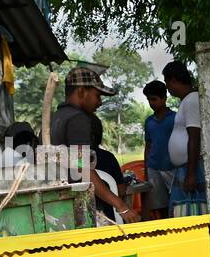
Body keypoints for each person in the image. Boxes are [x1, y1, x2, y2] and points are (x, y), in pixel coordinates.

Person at [49, 66, 138, 223]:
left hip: (59, 204)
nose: (100, 102)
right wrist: (121, 206)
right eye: (97, 95)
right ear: (82, 92)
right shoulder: (78, 119)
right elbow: (83, 169)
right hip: (79, 204)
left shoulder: (56, 117)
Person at [162, 60, 208, 217]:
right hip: (184, 167)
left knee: (187, 212)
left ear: (174, 80)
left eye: (167, 83)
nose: (167, 88)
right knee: (181, 211)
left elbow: (194, 137)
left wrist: (191, 173)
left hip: (190, 167)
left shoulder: (191, 100)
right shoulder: (186, 101)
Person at [141, 80, 176, 221]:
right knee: (159, 205)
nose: (151, 103)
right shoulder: (149, 121)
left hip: (172, 168)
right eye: (149, 100)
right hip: (154, 168)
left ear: (164, 98)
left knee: (175, 201)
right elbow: (148, 146)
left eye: (154, 99)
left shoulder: (175, 118)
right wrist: (146, 168)